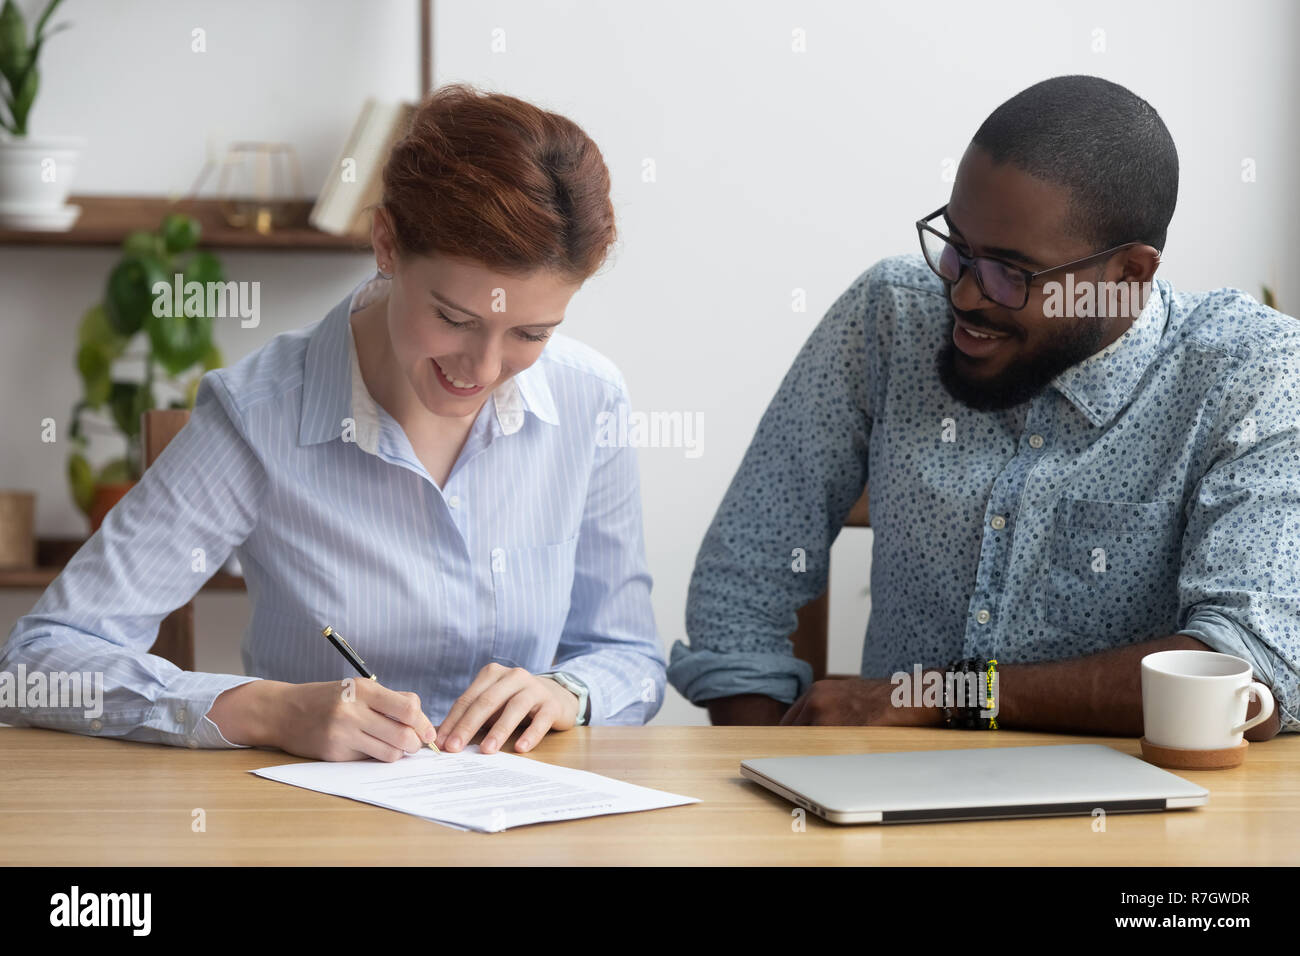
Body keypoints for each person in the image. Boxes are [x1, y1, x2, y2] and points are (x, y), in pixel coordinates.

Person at [1, 84, 664, 760]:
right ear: (386, 243)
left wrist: (568, 691)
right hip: (313, 836)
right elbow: (36, 664)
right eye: (455, 320)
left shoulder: (590, 400)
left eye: (531, 333)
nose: (485, 369)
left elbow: (629, 655)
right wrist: (264, 709)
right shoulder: (258, 416)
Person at [669, 75, 1296, 739]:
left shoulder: (1250, 374)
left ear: (1128, 275)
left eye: (1010, 273)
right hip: (887, 805)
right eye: (956, 247)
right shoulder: (892, 315)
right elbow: (748, 571)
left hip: (1133, 820)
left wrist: (936, 695)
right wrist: (778, 769)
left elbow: (1241, 669)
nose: (965, 295)